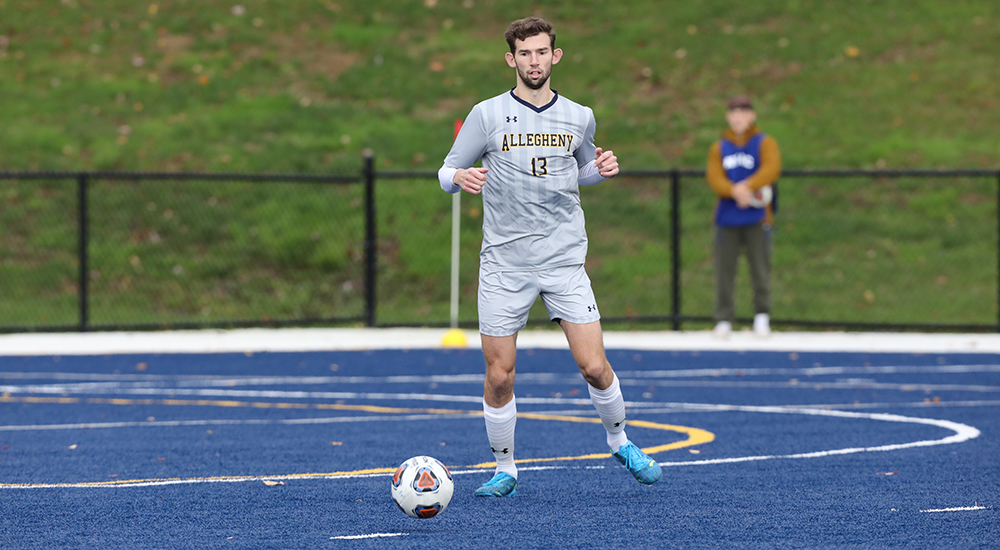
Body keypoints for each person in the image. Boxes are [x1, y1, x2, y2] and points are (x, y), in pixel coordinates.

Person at [437, 16, 662, 497]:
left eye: (542, 52)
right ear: (511, 59)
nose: (534, 61)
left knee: (594, 367)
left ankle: (620, 441)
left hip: (564, 261)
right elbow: (447, 169)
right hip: (504, 263)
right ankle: (506, 469)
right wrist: (458, 178)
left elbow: (582, 172)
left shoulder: (580, 116)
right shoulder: (487, 114)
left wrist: (604, 169)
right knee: (499, 375)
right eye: (525, 53)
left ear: (555, 56)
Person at [705, 94, 782, 338]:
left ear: (752, 115)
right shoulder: (719, 146)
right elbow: (714, 177)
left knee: (760, 268)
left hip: (757, 218)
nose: (738, 118)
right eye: (734, 113)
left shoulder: (764, 142)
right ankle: (724, 318)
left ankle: (762, 315)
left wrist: (747, 186)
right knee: (724, 271)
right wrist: (732, 190)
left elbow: (772, 168)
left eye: (743, 112)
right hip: (726, 218)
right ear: (728, 116)